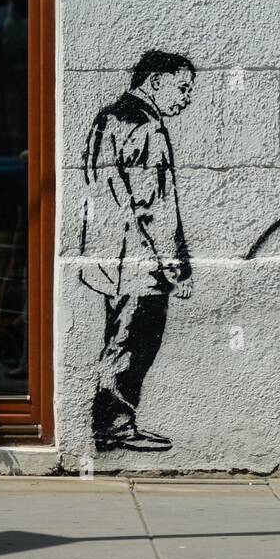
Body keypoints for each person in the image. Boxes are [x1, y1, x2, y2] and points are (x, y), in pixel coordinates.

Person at [80, 50, 195, 452]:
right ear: (156, 81)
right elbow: (154, 205)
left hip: (111, 256)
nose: (186, 98)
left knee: (119, 338)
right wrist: (175, 267)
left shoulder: (107, 118)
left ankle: (113, 423)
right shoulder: (147, 128)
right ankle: (114, 425)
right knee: (136, 342)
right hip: (141, 263)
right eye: (182, 87)